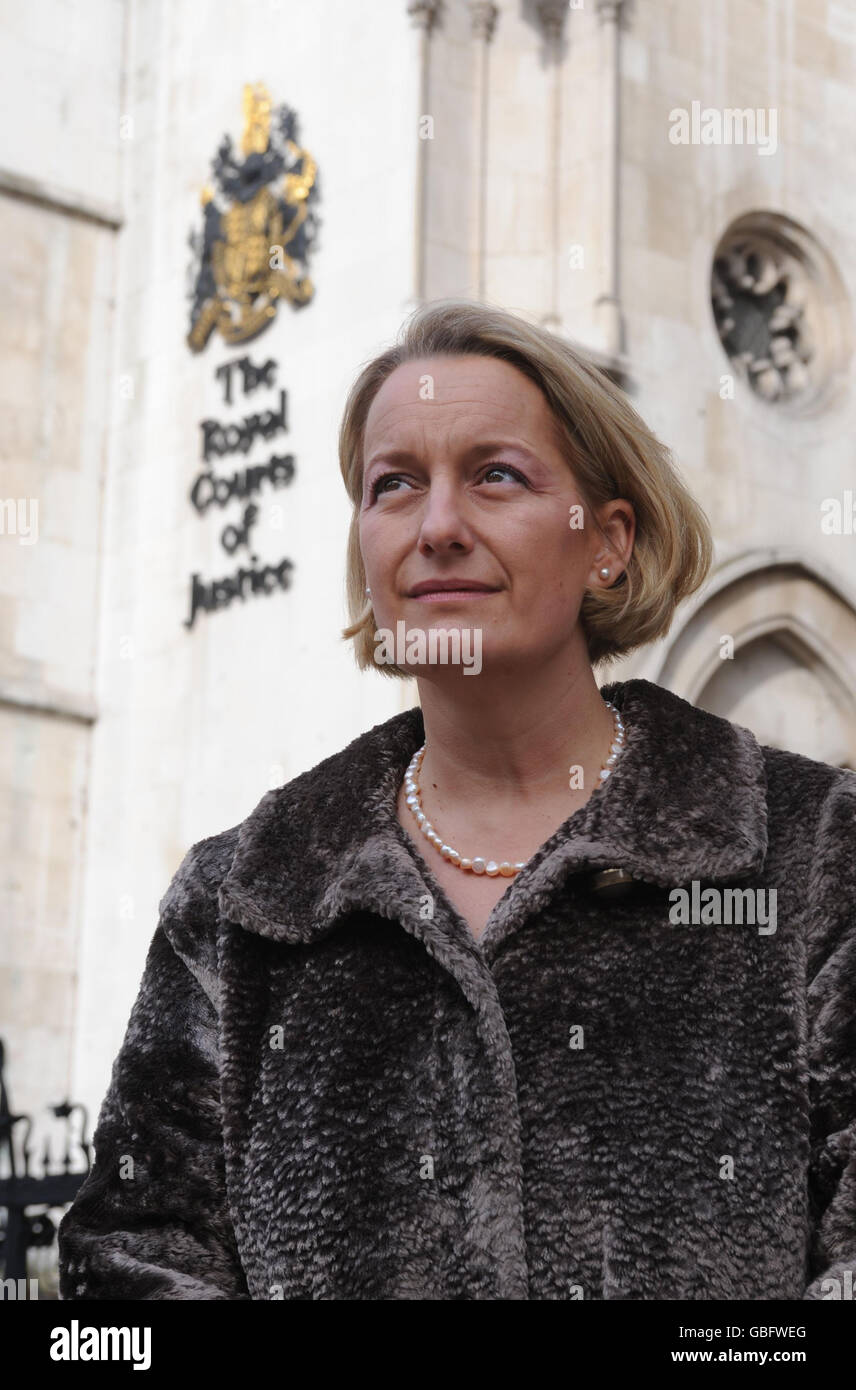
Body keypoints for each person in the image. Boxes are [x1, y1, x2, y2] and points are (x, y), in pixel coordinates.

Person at [58, 299, 856, 1300]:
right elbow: (134, 1260)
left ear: (606, 541)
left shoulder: (808, 849)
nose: (437, 526)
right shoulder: (243, 900)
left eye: (495, 476)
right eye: (394, 485)